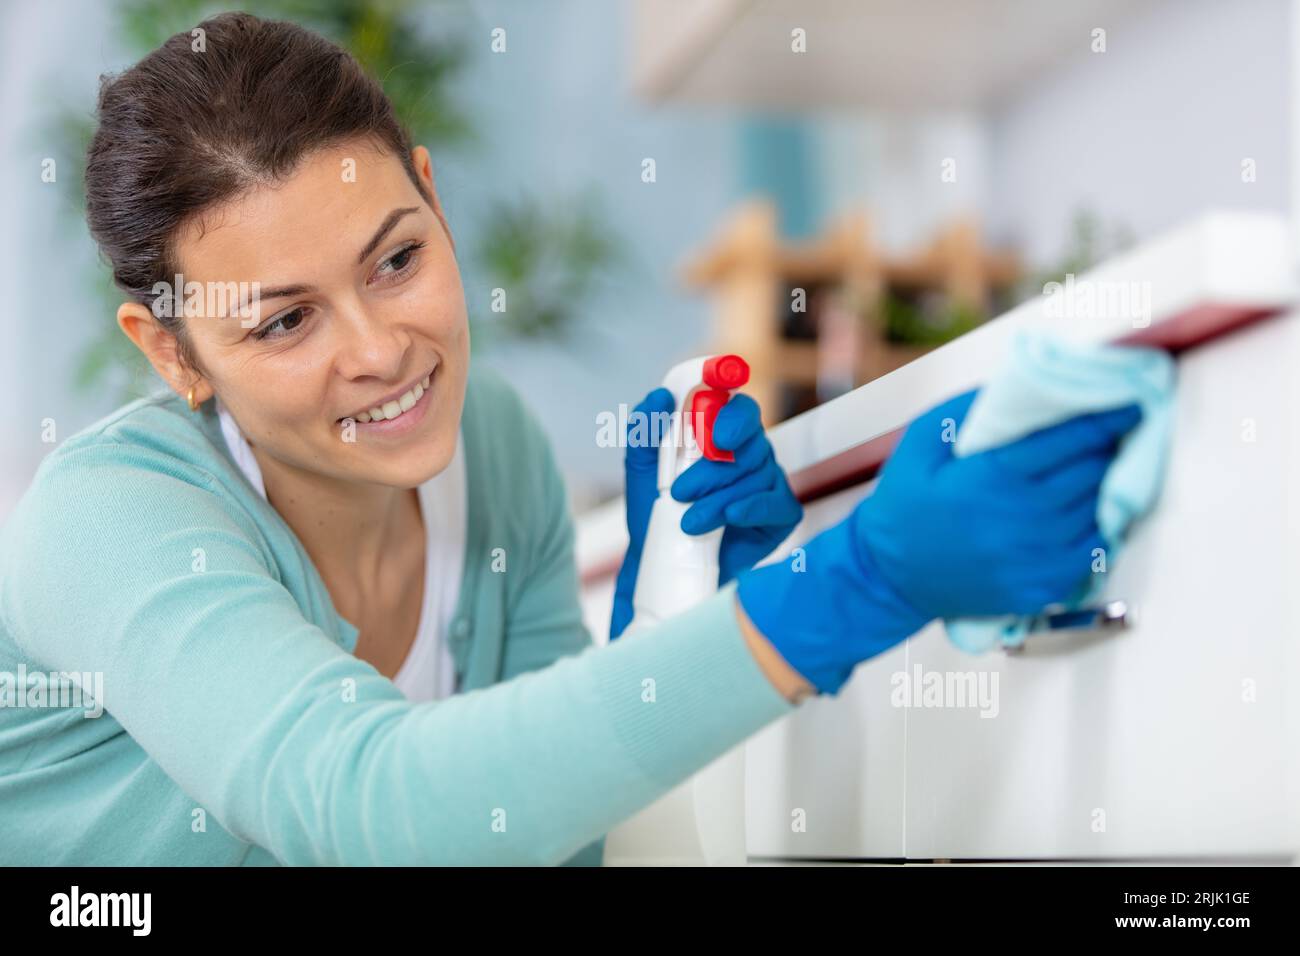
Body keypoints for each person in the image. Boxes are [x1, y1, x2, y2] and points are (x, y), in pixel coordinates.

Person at [0, 12, 1140, 866]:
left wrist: (669, 611)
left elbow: (536, 842)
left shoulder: (486, 444)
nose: (382, 350)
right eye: (286, 319)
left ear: (433, 199)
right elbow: (368, 805)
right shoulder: (107, 521)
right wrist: (850, 586)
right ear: (171, 352)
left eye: (396, 258)